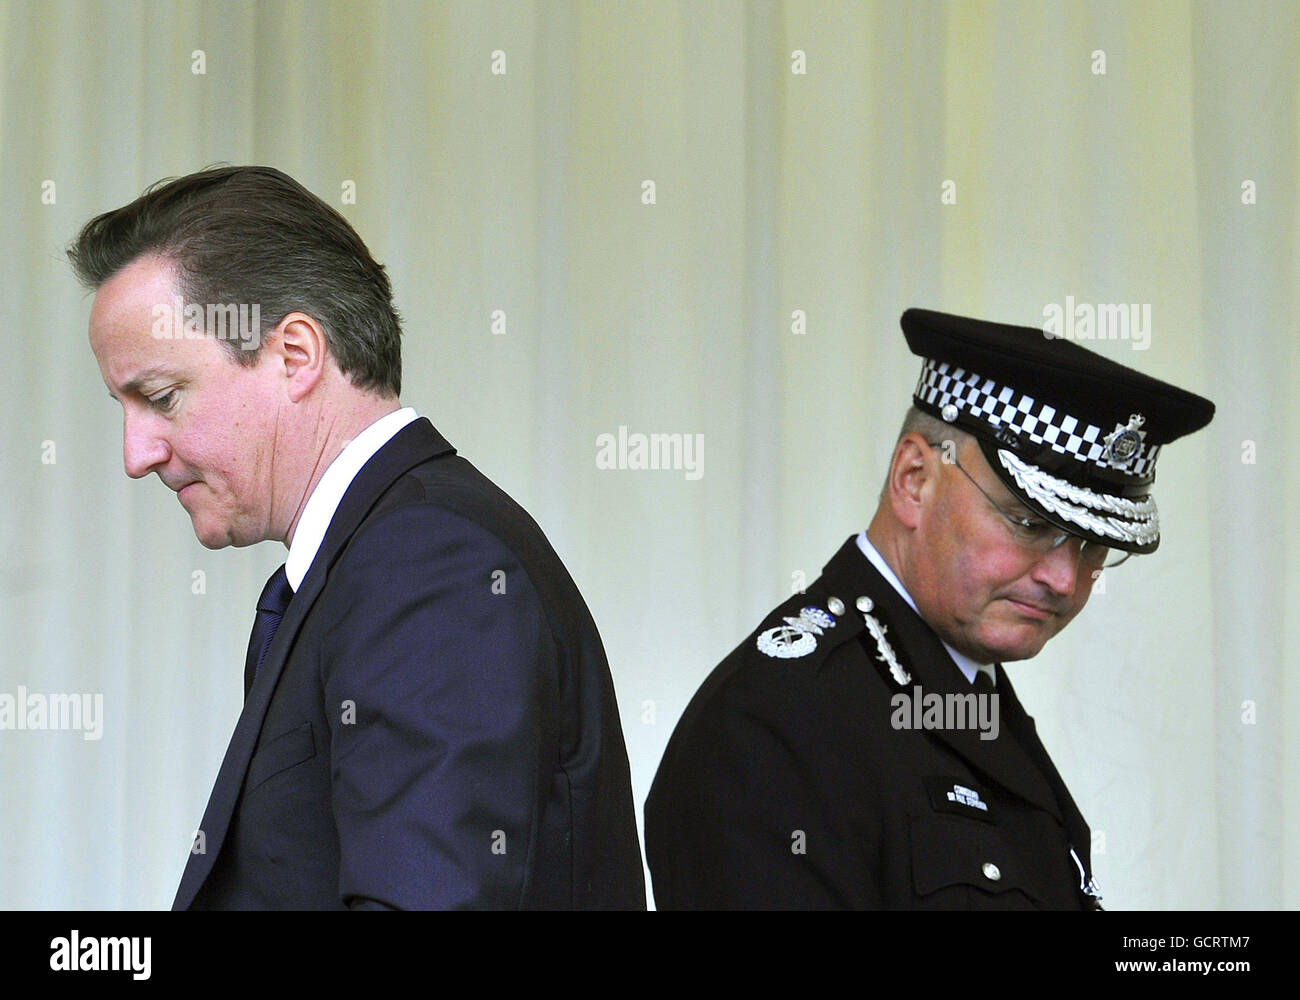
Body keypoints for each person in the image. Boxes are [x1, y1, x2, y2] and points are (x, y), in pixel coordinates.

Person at [69, 165, 645, 909]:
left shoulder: (429, 564)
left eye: (160, 397)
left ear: (296, 355)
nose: (135, 454)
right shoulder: (386, 553)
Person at [645, 307, 1215, 909]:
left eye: (1094, 544)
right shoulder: (777, 724)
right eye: (1028, 522)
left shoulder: (965, 692)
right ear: (915, 478)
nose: (1065, 578)